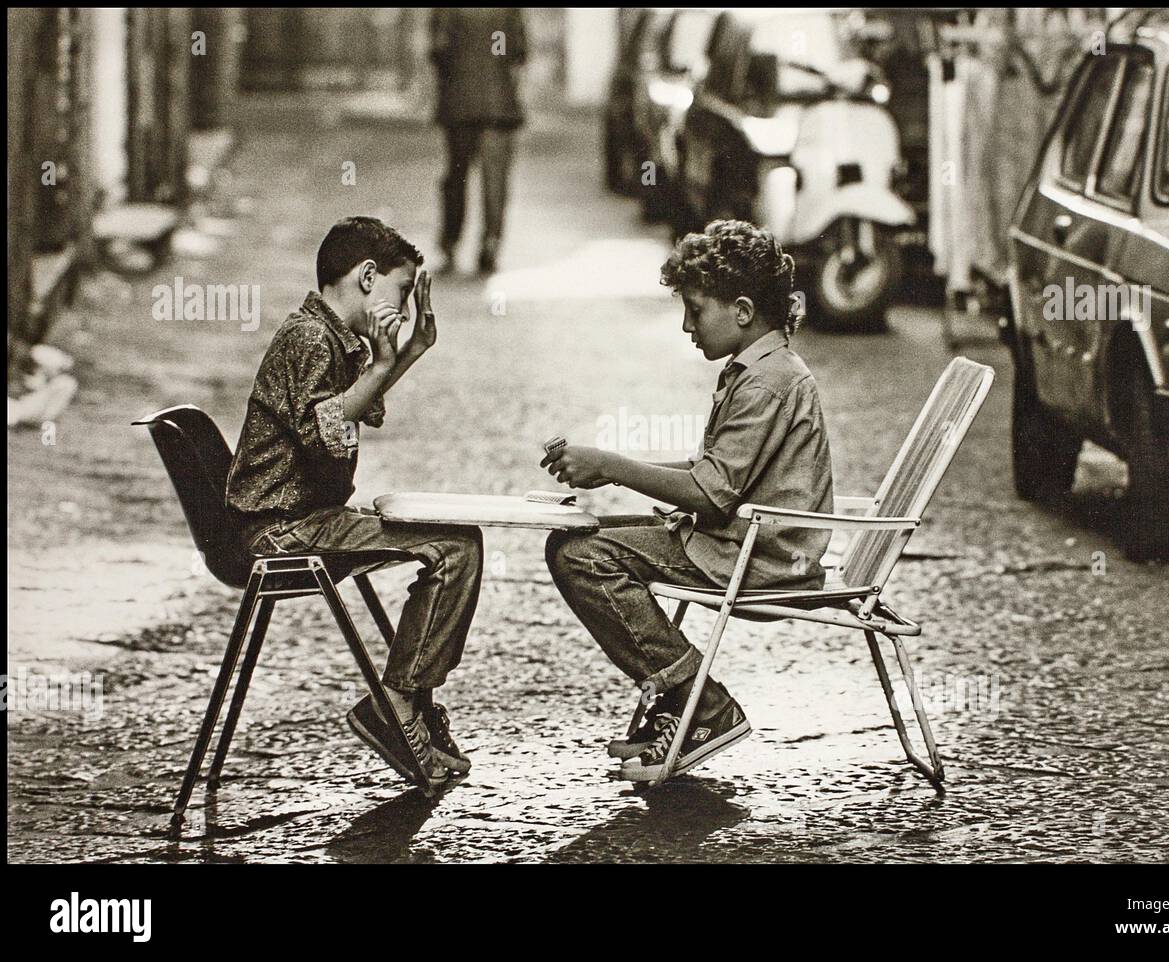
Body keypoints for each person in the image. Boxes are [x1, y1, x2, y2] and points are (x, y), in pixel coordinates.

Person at [542, 220, 836, 781]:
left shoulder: (769, 381)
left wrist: (612, 466)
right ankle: (684, 703)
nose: (685, 325)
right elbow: (716, 477)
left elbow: (710, 491)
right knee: (581, 536)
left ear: (743, 311)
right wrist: (614, 472)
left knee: (580, 555)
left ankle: (699, 702)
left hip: (758, 557)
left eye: (696, 310)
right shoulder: (760, 369)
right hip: (743, 541)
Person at [226, 216, 483, 788]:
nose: (404, 304)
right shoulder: (310, 340)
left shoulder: (330, 337)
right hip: (281, 530)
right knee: (455, 547)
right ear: (368, 277)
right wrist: (388, 363)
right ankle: (398, 704)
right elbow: (328, 436)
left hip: (299, 520)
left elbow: (349, 409)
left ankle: (403, 703)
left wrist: (410, 351)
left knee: (454, 541)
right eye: (400, 290)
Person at [429, 8, 528, 275]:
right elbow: (518, 52)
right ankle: (490, 244)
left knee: (456, 176)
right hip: (500, 106)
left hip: (459, 103)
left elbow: (439, 50)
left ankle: (450, 241)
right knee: (495, 180)